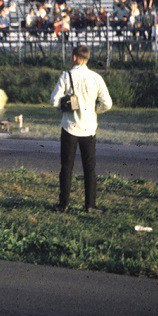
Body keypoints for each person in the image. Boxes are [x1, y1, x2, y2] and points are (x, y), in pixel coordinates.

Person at [49, 44, 113, 212]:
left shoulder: (66, 76)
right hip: (89, 127)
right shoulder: (96, 78)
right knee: (89, 168)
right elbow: (108, 103)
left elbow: (54, 101)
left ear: (75, 57)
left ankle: (63, 204)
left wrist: (64, 110)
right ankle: (90, 205)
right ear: (87, 58)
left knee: (66, 167)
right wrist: (94, 110)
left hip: (69, 126)